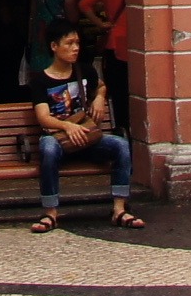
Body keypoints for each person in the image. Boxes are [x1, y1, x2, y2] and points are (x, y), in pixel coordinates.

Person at [23, 19, 140, 232]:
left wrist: (99, 97)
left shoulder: (85, 71)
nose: (75, 48)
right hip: (60, 140)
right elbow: (43, 117)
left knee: (120, 144)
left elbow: (101, 86)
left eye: (77, 42)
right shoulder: (41, 80)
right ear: (54, 47)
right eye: (69, 43)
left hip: (87, 138)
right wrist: (68, 127)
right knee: (47, 148)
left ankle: (119, 209)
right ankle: (50, 213)